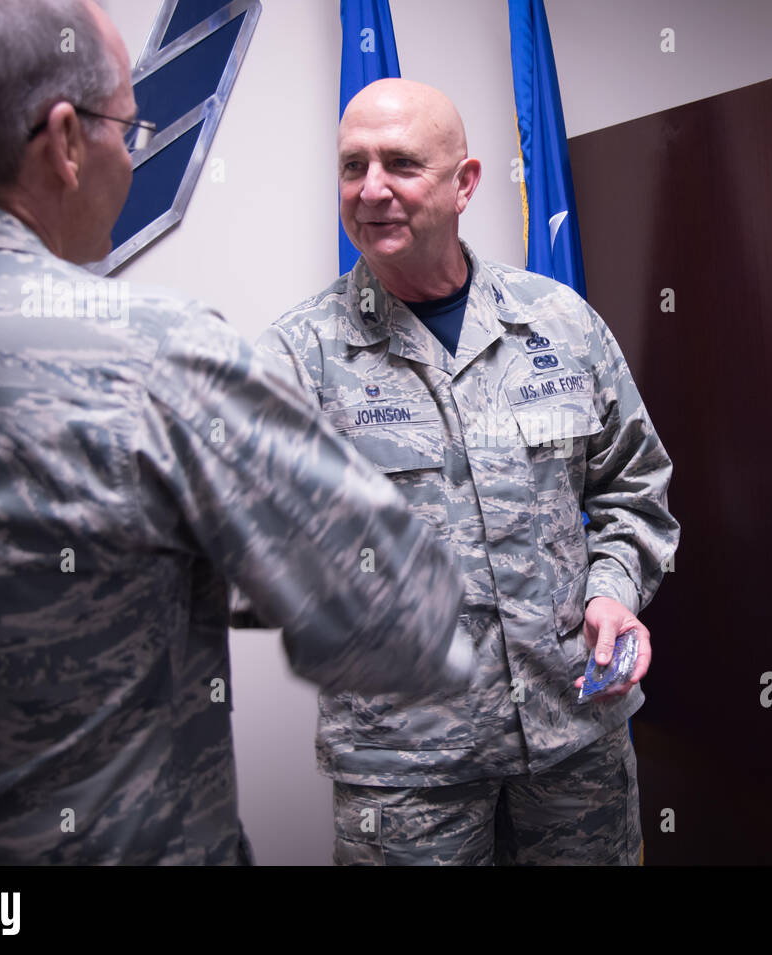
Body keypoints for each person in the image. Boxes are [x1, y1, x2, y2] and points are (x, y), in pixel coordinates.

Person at [0, 0, 471, 865]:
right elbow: (400, 615)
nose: (135, 147)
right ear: (66, 142)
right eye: (130, 122)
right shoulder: (159, 359)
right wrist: (199, 544)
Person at [257, 78, 678, 865]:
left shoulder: (558, 321)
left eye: (401, 163)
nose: (371, 189)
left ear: (466, 183)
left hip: (575, 735)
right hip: (408, 772)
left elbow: (634, 489)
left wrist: (614, 592)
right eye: (353, 166)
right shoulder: (295, 358)